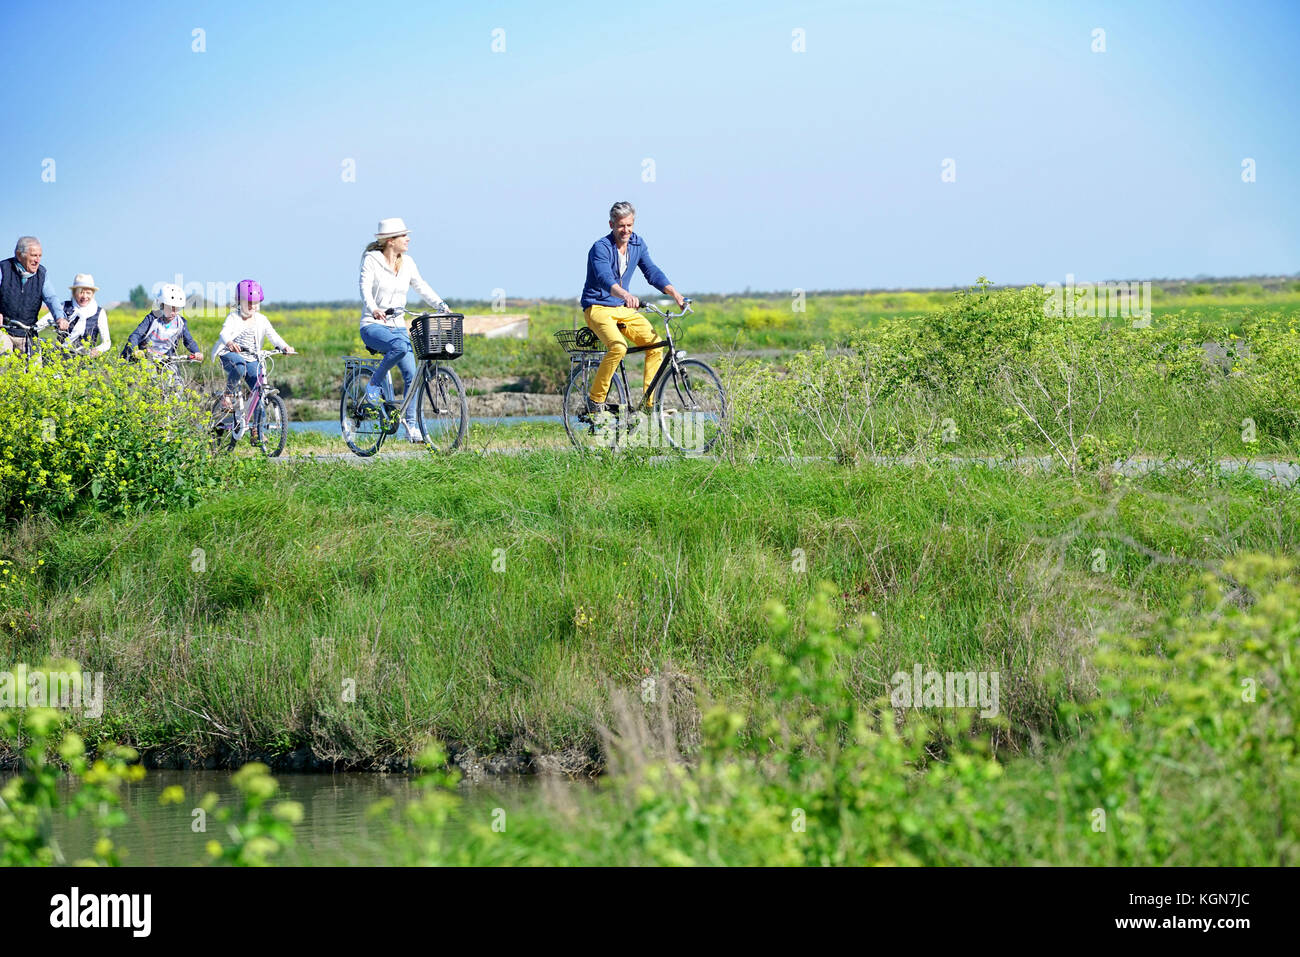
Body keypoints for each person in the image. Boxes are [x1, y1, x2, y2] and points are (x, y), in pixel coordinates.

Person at [579, 202, 686, 415]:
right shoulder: (600, 247)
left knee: (655, 344)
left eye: (629, 225)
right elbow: (603, 278)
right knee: (618, 347)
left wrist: (674, 293)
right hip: (597, 307)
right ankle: (595, 400)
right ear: (611, 224)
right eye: (620, 225)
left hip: (621, 308)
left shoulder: (637, 244)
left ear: (633, 223)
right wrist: (625, 294)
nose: (625, 230)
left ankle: (649, 406)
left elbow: (651, 271)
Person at [358, 217, 450, 443]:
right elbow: (364, 287)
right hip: (373, 325)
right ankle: (373, 384)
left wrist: (440, 305)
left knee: (412, 375)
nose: (408, 239)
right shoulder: (371, 260)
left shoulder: (407, 262)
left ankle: (411, 425)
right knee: (399, 347)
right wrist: (374, 308)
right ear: (390, 241)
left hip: (398, 326)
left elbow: (420, 285)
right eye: (403, 236)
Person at [212, 280, 296, 440]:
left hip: (252, 357)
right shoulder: (234, 317)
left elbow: (273, 336)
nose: (253, 307)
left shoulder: (261, 319)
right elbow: (224, 333)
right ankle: (227, 396)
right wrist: (229, 342)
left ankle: (256, 431)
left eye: (256, 304)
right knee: (240, 367)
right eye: (249, 303)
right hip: (230, 354)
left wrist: (285, 347)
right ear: (240, 302)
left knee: (260, 391)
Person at [0, 236, 62, 354]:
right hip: (4, 329)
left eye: (40, 256)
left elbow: (51, 298)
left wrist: (60, 317)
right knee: (5, 358)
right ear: (19, 255)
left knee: (35, 366)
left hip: (27, 332)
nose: (37, 260)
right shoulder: (3, 268)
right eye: (33, 255)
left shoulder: (42, 274)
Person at [122, 283, 203, 361]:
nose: (173, 312)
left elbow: (188, 340)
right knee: (150, 372)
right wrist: (136, 350)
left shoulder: (180, 323)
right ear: (161, 306)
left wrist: (196, 352)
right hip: (146, 356)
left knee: (175, 374)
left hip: (166, 358)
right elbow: (135, 335)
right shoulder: (152, 319)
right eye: (170, 308)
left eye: (177, 309)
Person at [57, 274, 112, 355]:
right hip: (60, 357)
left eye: (88, 293)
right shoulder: (64, 306)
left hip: (86, 360)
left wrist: (96, 350)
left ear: (93, 294)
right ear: (74, 293)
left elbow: (107, 343)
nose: (84, 296)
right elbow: (42, 323)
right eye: (81, 292)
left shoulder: (99, 312)